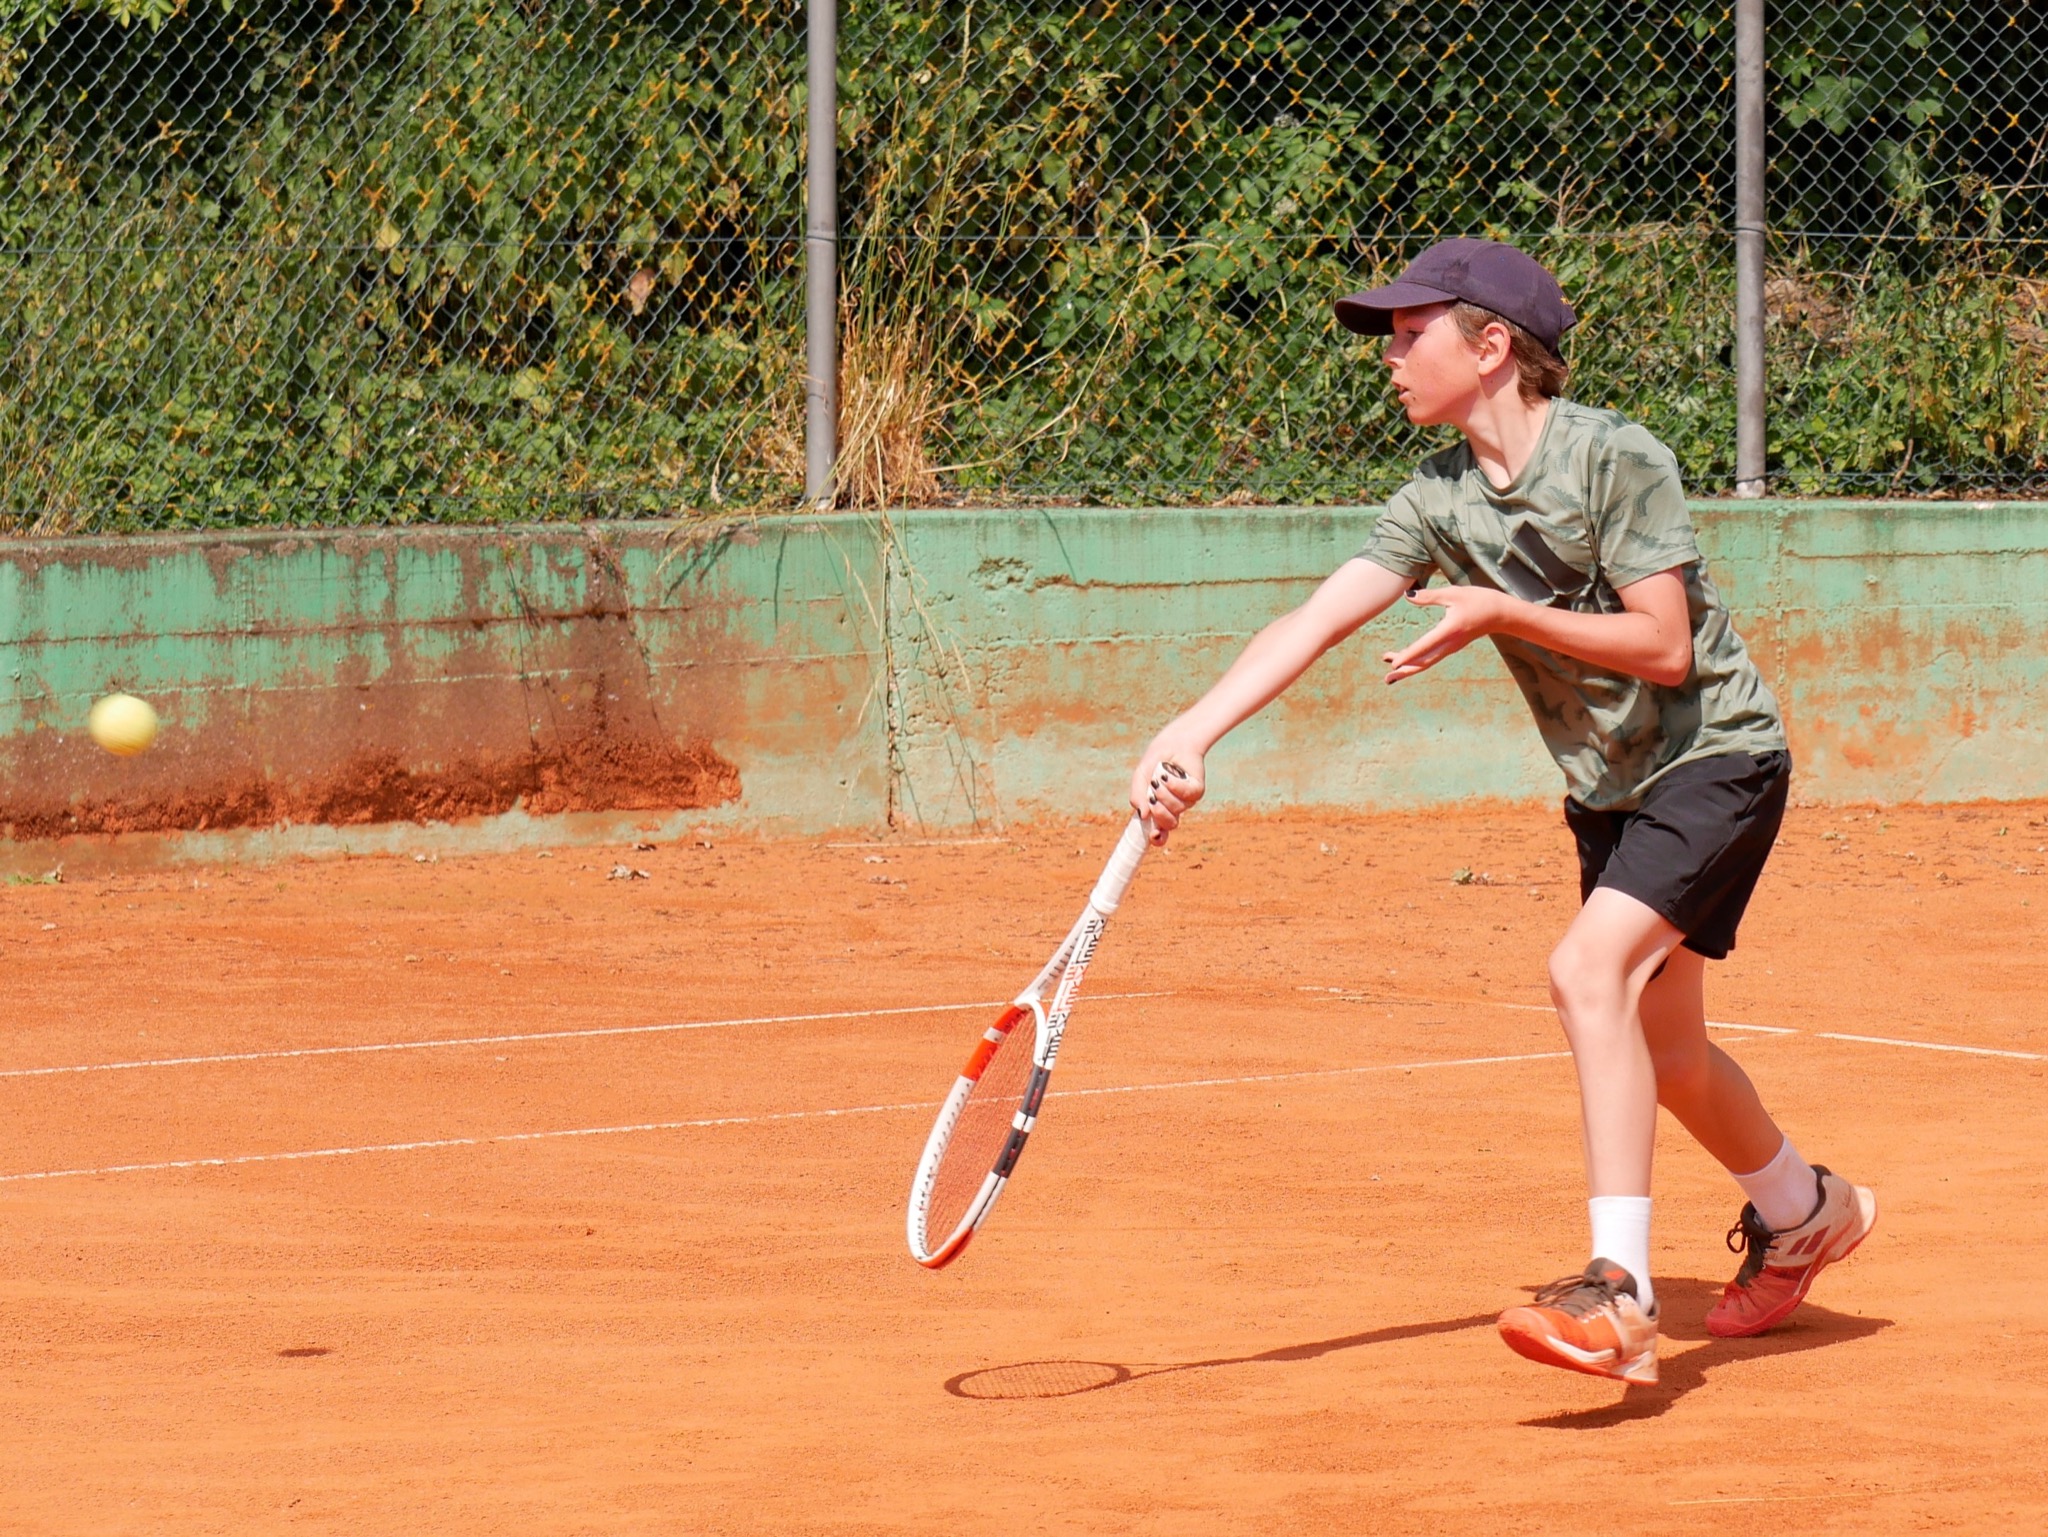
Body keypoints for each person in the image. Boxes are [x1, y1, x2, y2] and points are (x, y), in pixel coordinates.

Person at [1129, 238, 1876, 1386]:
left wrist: (1499, 612)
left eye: (1407, 333)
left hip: (1715, 758)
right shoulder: (1436, 499)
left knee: (1584, 972)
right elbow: (1316, 619)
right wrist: (1191, 729)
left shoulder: (1614, 457)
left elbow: (1663, 647)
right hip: (1609, 792)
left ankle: (1617, 1294)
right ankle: (1802, 1208)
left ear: (1488, 348)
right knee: (1669, 1055)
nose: (1387, 357)